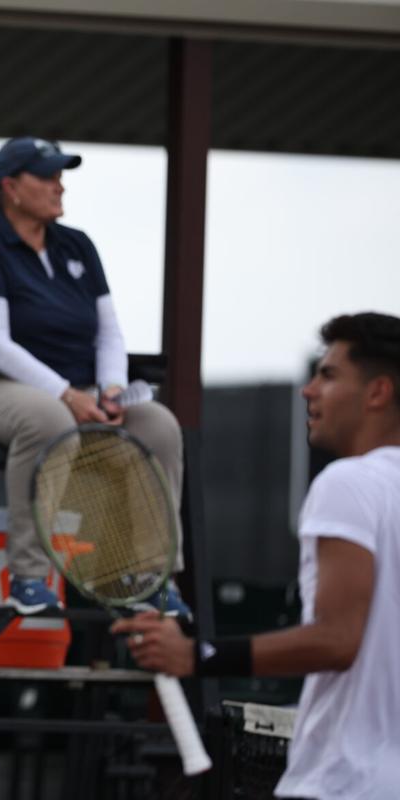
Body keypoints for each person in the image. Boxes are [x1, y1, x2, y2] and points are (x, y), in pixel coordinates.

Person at [114, 312, 400, 800]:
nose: (308, 390)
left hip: (343, 785)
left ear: (377, 393)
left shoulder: (348, 484)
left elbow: (337, 641)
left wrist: (196, 655)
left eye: (328, 375)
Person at [0, 137, 188, 616]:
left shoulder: (78, 245)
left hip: (77, 394)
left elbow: (109, 333)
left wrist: (113, 389)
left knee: (157, 424)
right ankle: (29, 577)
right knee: (49, 419)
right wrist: (67, 395)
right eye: (48, 176)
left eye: (61, 175)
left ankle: (152, 575)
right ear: (11, 187)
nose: (60, 186)